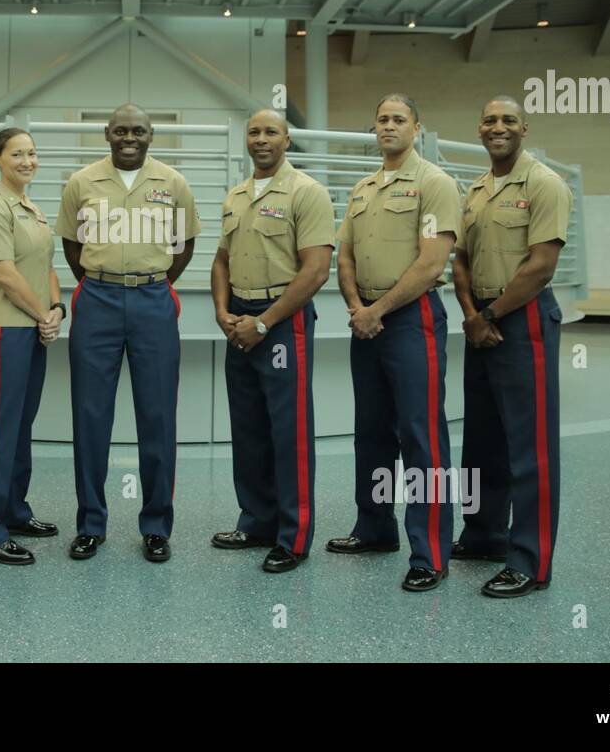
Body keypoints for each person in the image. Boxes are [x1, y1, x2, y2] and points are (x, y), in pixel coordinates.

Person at [327, 93, 460, 592]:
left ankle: (429, 551)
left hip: (410, 319)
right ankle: (375, 528)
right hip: (367, 320)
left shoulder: (435, 183)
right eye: (381, 119)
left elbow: (431, 264)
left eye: (398, 119)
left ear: (417, 128)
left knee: (421, 437)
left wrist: (376, 312)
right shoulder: (362, 189)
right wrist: (358, 308)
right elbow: (344, 256)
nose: (388, 126)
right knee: (372, 431)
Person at [57, 103, 201, 563]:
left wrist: (149, 280)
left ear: (151, 134)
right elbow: (72, 246)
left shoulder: (172, 183)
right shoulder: (81, 182)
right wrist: (105, 281)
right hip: (96, 300)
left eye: (138, 130)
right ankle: (90, 524)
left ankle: (156, 526)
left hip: (152, 302)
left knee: (158, 416)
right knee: (90, 414)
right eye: (120, 130)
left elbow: (184, 246)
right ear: (106, 133)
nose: (129, 137)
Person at [451, 95, 571, 597]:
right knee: (482, 442)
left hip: (522, 323)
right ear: (480, 129)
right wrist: (472, 316)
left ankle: (530, 559)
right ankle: (484, 536)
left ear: (524, 127)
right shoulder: (476, 190)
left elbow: (541, 265)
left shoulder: (544, 184)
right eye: (489, 120)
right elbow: (459, 258)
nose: (497, 127)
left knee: (530, 446)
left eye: (507, 120)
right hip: (481, 320)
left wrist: (491, 315)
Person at [211, 110, 334, 573]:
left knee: (290, 431)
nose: (261, 140)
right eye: (254, 132)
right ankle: (256, 520)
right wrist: (224, 313)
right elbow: (221, 261)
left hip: (282, 322)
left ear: (287, 139)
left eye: (271, 132)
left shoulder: (307, 193)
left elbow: (315, 270)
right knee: (248, 428)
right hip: (239, 322)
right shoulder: (236, 196)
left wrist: (263, 323)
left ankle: (293, 535)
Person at [0, 127, 62, 565]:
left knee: (20, 427)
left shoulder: (33, 210)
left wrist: (57, 308)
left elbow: (46, 267)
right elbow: (3, 272)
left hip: (33, 330)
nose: (27, 161)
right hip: (5, 330)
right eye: (17, 154)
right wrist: (41, 315)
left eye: (32, 153)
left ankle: (13, 511)